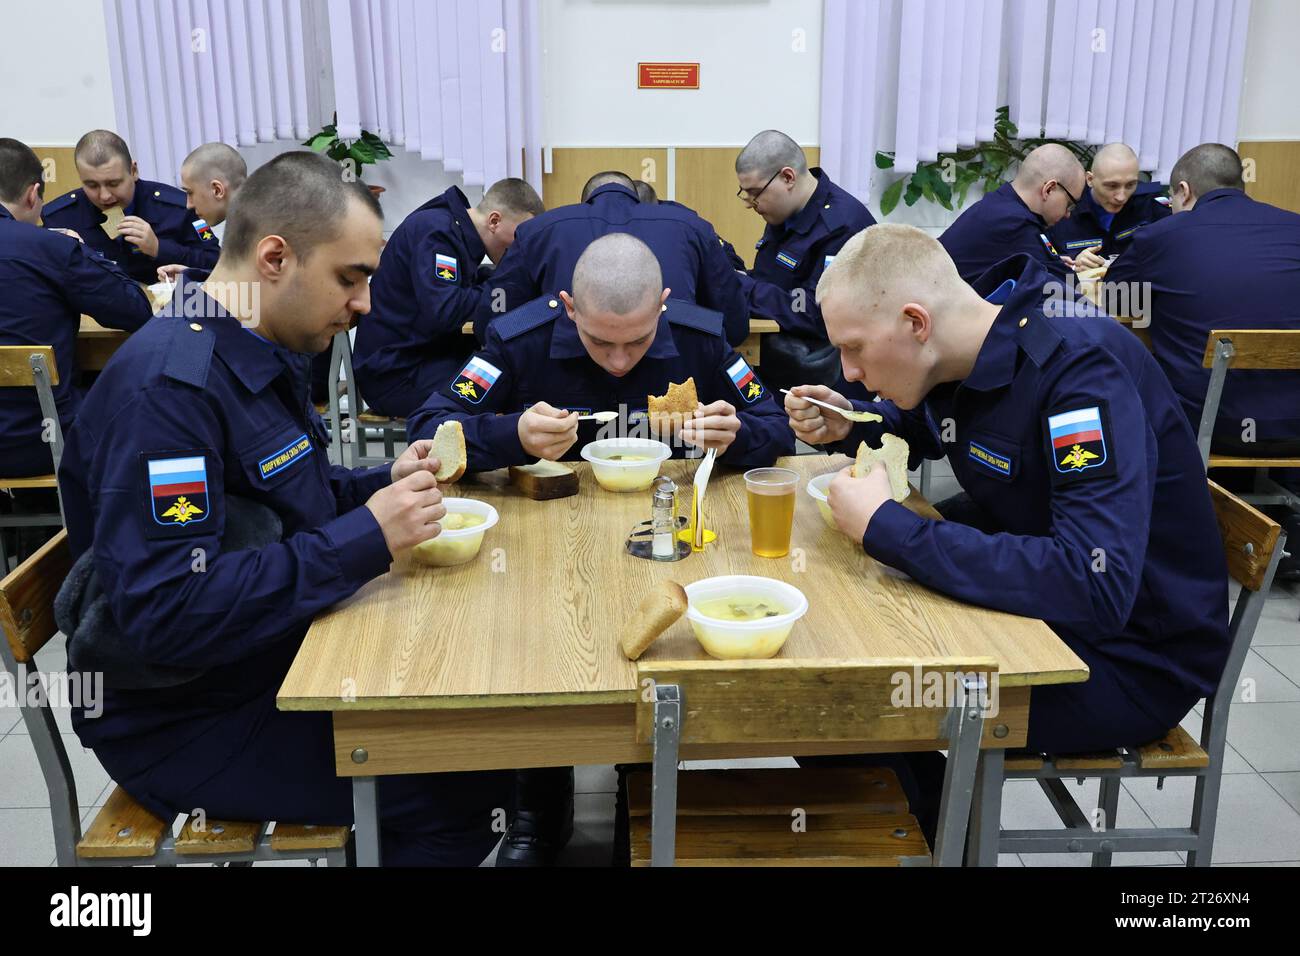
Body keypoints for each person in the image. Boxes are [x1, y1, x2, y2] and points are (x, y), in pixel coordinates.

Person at [58, 151, 510, 866]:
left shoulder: (253, 345)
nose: (364, 303)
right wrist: (367, 538)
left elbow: (289, 496)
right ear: (274, 257)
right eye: (350, 277)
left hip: (258, 655)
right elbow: (168, 611)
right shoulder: (169, 396)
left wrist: (377, 486)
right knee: (456, 791)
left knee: (481, 714)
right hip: (183, 714)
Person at [784, 223, 1228, 839]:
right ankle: (934, 828)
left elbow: (1092, 586)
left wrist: (892, 530)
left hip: (1129, 661)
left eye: (855, 349)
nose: (849, 371)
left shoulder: (1078, 372)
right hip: (1043, 620)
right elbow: (939, 423)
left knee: (845, 699)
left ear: (916, 323)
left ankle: (939, 839)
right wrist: (855, 423)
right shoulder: (970, 341)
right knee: (831, 652)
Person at [411, 233, 792, 866]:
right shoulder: (516, 340)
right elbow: (426, 429)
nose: (619, 362)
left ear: (665, 305)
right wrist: (509, 433)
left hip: (670, 543)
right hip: (544, 545)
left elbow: (775, 426)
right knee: (540, 646)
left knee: (658, 656)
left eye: (638, 343)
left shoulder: (701, 338)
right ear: (565, 306)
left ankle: (638, 793)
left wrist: (740, 434)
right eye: (599, 342)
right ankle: (539, 793)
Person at [1106, 142, 1300, 577]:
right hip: (1294, 428)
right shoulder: (1294, 227)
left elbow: (1116, 297)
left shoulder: (1162, 236)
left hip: (1209, 427)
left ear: (1184, 191)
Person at [0, 137, 151, 480]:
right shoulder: (50, 248)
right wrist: (82, 253)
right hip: (41, 441)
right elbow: (136, 310)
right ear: (32, 194)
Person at [474, 171, 749, 347]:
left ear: (584, 205)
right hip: (676, 386)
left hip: (562, 391)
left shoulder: (538, 230)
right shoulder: (693, 227)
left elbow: (492, 319)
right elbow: (734, 325)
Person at [352, 178, 544, 418]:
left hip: (424, 358)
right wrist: (502, 291)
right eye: (520, 235)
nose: (521, 247)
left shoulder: (452, 229)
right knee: (504, 388)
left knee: (511, 372)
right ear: (494, 221)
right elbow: (446, 308)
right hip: (396, 375)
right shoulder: (437, 233)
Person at [732, 130, 876, 392]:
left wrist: (743, 287)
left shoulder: (842, 227)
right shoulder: (785, 213)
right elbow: (773, 281)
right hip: (784, 361)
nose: (750, 203)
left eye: (755, 193)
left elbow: (817, 313)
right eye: (745, 193)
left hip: (831, 377)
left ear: (788, 177)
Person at [40, 129, 219, 284]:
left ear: (133, 171)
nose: (105, 196)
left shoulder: (181, 208)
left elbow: (215, 261)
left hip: (166, 313)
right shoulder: (59, 218)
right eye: (92, 185)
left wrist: (159, 248)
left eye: (114, 183)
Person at [938, 142, 1084, 283]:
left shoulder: (999, 203)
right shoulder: (1017, 225)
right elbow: (1066, 287)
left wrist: (1049, 261)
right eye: (1069, 205)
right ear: (1049, 189)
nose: (1068, 214)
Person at [1046, 142, 1170, 271]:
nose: (1121, 196)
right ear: (1089, 179)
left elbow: (1173, 249)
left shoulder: (1150, 203)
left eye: (1130, 185)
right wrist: (1072, 265)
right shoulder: (1064, 209)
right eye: (1112, 186)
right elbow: (1042, 264)